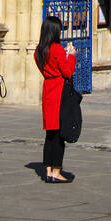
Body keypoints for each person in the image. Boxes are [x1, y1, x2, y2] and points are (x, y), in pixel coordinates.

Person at [34, 15, 77, 182]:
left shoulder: (39, 51)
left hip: (48, 90)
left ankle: (48, 170)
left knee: (50, 134)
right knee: (59, 134)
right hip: (60, 91)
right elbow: (67, 71)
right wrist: (71, 56)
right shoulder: (57, 49)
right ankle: (56, 171)